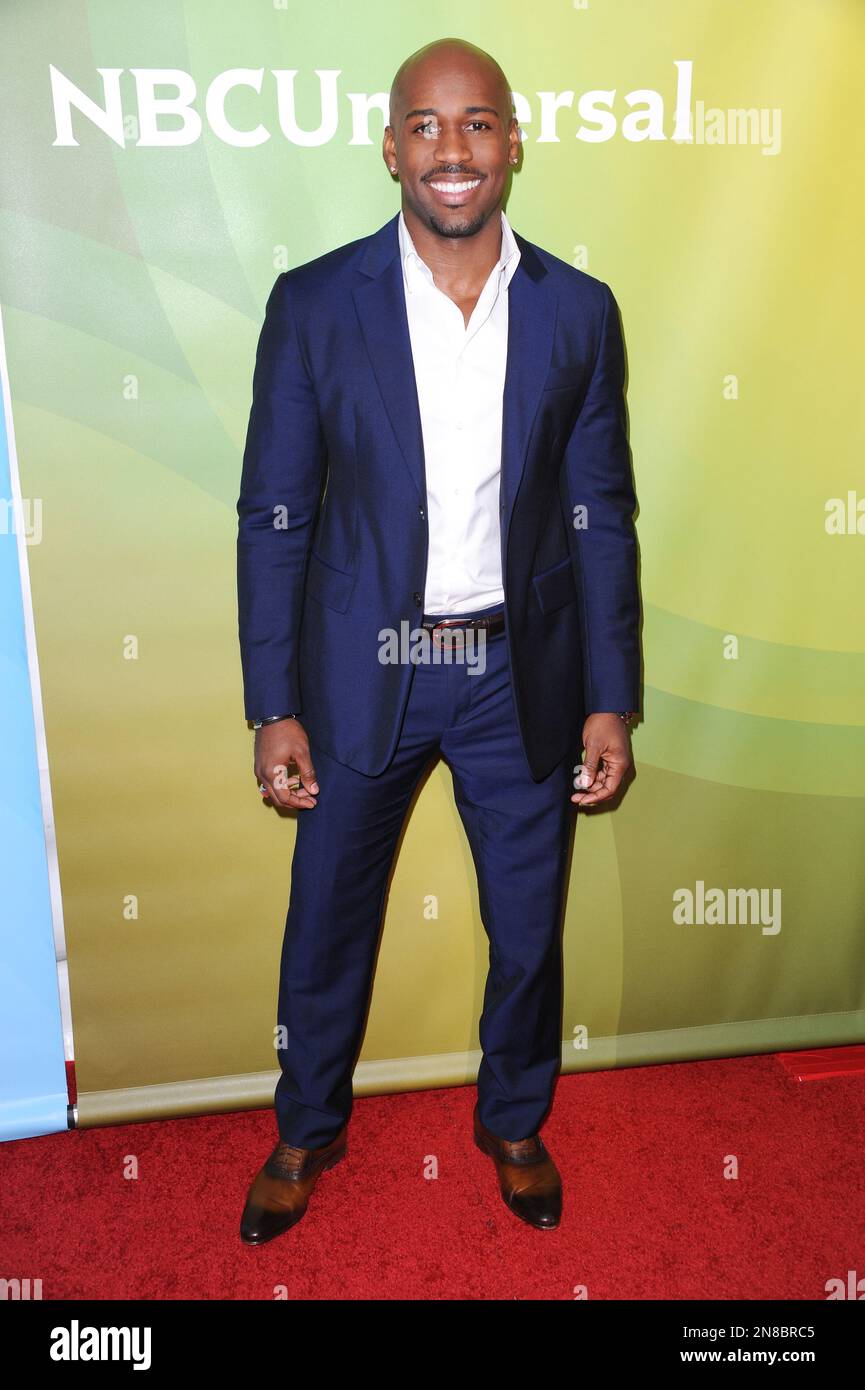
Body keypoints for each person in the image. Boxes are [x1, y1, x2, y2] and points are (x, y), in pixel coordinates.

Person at [236, 36, 641, 1244]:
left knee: (526, 926)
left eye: (475, 125)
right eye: (425, 125)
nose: (451, 150)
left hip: (517, 668)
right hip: (370, 669)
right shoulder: (315, 303)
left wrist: (609, 695)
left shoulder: (576, 309)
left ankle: (513, 1121)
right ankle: (305, 1129)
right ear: (390, 147)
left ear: (513, 142)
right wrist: (275, 704)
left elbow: (602, 511)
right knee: (327, 923)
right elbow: (274, 514)